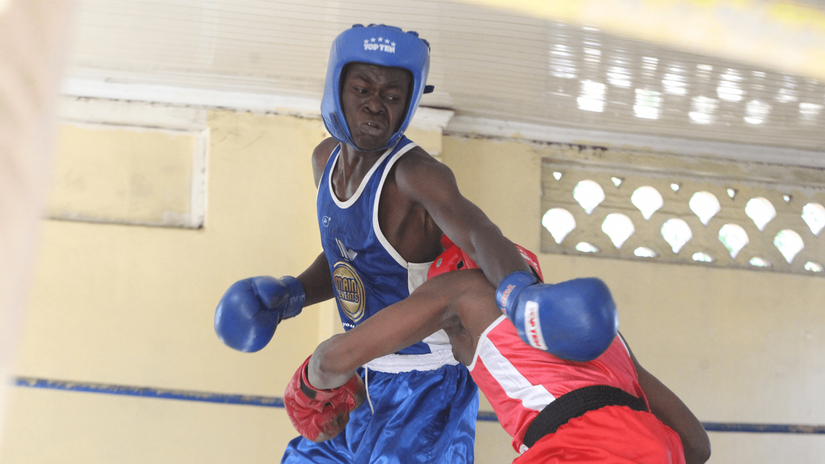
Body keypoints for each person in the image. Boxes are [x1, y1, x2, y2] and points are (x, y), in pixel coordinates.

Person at [213, 23, 616, 463]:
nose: (374, 106)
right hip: (364, 371)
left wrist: (521, 293)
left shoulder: (417, 174)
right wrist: (292, 294)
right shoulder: (324, 160)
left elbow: (479, 233)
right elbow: (347, 259)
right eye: (362, 89)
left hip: (425, 381)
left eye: (391, 96)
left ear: (408, 105)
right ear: (336, 89)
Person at [286, 243, 711, 464]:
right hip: (660, 449)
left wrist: (308, 387)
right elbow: (695, 444)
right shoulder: (610, 342)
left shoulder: (467, 292)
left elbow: (332, 360)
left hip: (576, 450)